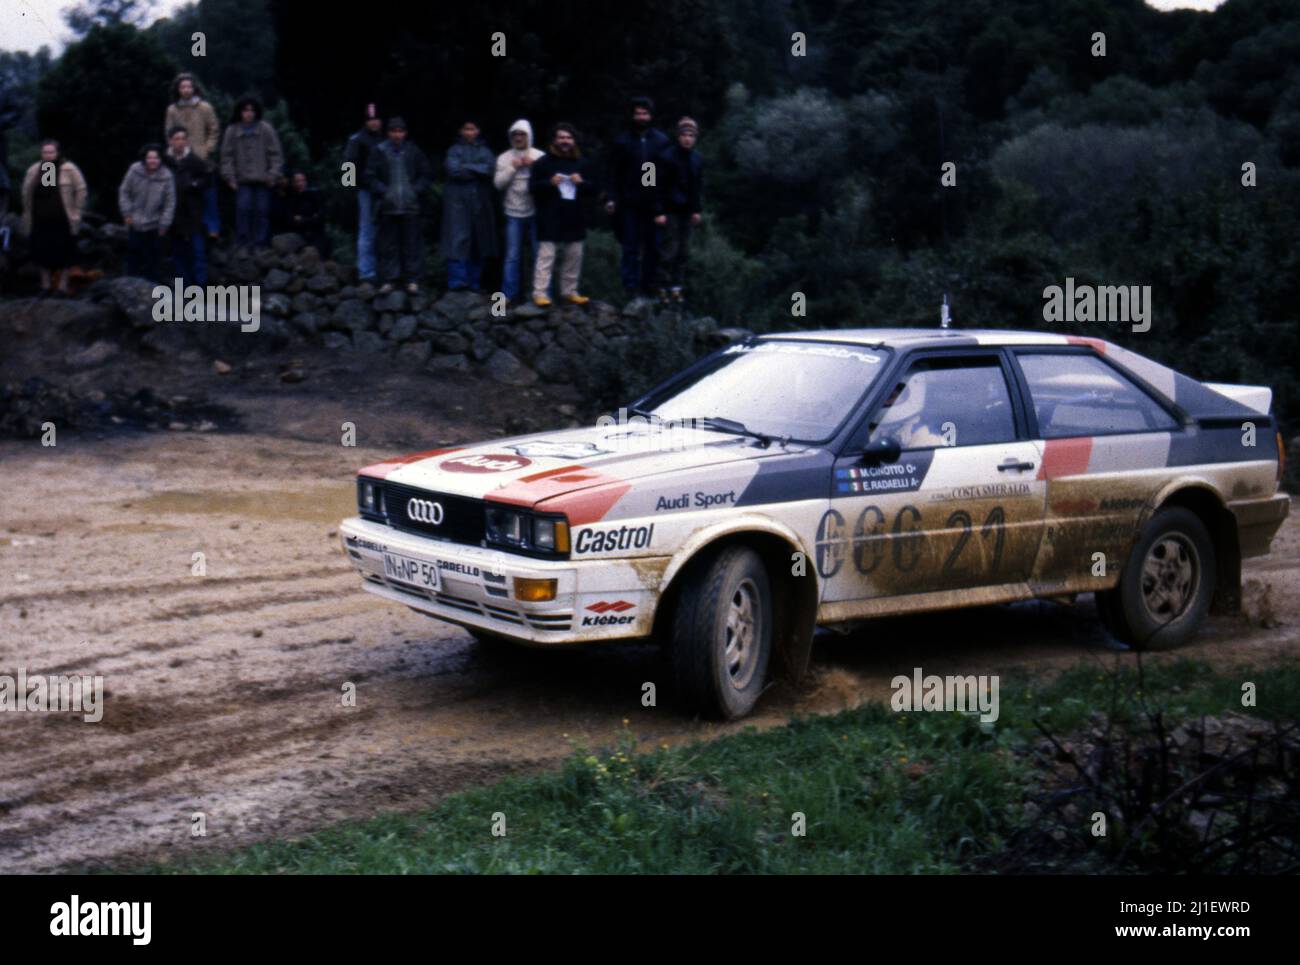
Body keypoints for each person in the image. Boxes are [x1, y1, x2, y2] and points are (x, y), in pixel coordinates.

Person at [605, 96, 669, 296]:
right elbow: (613, 173)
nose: (641, 117)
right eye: (638, 113)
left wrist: (660, 205)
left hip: (652, 205)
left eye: (645, 113)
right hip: (628, 204)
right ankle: (630, 287)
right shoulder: (622, 141)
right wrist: (611, 197)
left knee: (653, 247)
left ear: (651, 116)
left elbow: (661, 174)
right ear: (632, 116)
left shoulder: (660, 141)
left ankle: (650, 285)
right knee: (629, 247)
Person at [366, 116, 433, 294]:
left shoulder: (413, 151)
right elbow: (369, 176)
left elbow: (426, 174)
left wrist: (415, 190)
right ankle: (389, 279)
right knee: (388, 245)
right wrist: (383, 191)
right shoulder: (378, 151)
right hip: (388, 207)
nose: (397, 135)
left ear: (405, 133)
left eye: (400, 131)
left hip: (410, 206)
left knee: (412, 244)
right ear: (388, 133)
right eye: (393, 131)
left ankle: (412, 279)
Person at [529, 123, 593, 307]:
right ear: (554, 140)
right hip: (550, 215)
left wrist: (581, 182)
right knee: (546, 256)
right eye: (561, 137)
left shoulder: (582, 163)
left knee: (574, 255)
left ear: (574, 141)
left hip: (575, 216)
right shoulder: (542, 163)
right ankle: (540, 293)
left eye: (569, 138)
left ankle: (570, 292)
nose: (565, 141)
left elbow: (594, 189)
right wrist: (549, 183)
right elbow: (532, 188)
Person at [20, 139, 87, 295]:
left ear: (57, 153)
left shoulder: (69, 169)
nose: (48, 155)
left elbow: (81, 190)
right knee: (41, 252)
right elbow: (26, 192)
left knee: (65, 253)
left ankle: (62, 286)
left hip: (62, 220)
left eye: (51, 152)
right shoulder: (34, 170)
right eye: (45, 152)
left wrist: (77, 211)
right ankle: (45, 285)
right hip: (40, 220)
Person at [440, 119, 498, 292]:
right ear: (461, 131)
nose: (469, 132)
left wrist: (466, 167)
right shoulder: (453, 150)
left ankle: (474, 282)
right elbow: (453, 170)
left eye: (472, 129)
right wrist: (477, 169)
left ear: (478, 131)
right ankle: (457, 281)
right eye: (466, 129)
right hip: (457, 203)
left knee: (478, 241)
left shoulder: (486, 151)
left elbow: (490, 170)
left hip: (480, 202)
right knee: (457, 240)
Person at [653, 117, 705, 305]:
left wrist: (697, 209)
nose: (687, 139)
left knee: (683, 251)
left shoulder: (698, 159)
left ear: (695, 138)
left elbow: (698, 187)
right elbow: (656, 186)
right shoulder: (665, 157)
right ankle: (662, 287)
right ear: (678, 136)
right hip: (669, 210)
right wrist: (658, 211)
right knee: (669, 250)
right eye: (684, 135)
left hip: (687, 211)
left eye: (691, 135)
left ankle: (677, 287)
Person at [220, 97, 282, 250]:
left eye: (252, 110)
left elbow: (276, 154)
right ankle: (243, 242)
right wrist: (230, 177)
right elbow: (226, 156)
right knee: (243, 209)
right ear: (240, 112)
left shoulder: (265, 129)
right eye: (245, 110)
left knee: (262, 211)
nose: (249, 114)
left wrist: (273, 175)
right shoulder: (232, 130)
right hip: (242, 179)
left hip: (263, 179)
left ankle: (260, 243)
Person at [164, 73, 221, 239]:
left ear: (194, 88)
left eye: (189, 86)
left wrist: (207, 149)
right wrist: (174, 153)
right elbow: (168, 132)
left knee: (208, 192)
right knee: (185, 194)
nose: (186, 90)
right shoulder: (172, 110)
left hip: (202, 157)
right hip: (181, 158)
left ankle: (212, 227)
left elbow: (214, 130)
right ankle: (190, 228)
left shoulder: (205, 107)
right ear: (178, 89)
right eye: (183, 87)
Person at [493, 118, 543, 304]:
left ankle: (540, 293)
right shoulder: (504, 157)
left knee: (540, 255)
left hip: (536, 213)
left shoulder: (539, 156)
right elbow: (498, 184)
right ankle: (507, 296)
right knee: (512, 256)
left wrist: (534, 167)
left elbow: (549, 183)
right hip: (513, 212)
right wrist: (513, 167)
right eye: (516, 134)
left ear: (529, 136)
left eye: (522, 134)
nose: (519, 137)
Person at [118, 144, 176, 282]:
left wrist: (164, 224)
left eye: (156, 157)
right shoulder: (134, 170)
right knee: (133, 256)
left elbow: (170, 203)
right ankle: (129, 287)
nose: (152, 160)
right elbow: (124, 192)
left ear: (160, 159)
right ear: (144, 158)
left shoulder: (167, 176)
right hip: (134, 222)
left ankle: (152, 292)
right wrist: (127, 213)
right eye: (149, 157)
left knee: (153, 259)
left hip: (154, 225)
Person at [162, 126, 210, 285]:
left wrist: (193, 184)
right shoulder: (164, 161)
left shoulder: (195, 161)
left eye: (183, 138)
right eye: (177, 139)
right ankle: (185, 288)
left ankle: (201, 288)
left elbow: (206, 180)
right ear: (170, 141)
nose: (180, 142)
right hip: (173, 216)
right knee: (177, 254)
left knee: (198, 253)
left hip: (193, 214)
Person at [343, 103, 384, 285]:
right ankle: (366, 271)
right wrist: (351, 188)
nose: (374, 123)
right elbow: (348, 165)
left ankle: (381, 270)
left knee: (382, 231)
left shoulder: (385, 139)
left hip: (383, 190)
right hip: (366, 191)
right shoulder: (357, 140)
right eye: (370, 119)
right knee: (367, 231)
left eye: (376, 119)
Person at [283, 170, 328, 255]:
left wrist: (303, 219)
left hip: (316, 235)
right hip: (298, 235)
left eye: (302, 181)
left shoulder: (315, 196)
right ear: (293, 183)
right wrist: (310, 218)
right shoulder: (291, 199)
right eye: (297, 181)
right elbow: (290, 220)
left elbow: (320, 218)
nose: (300, 184)